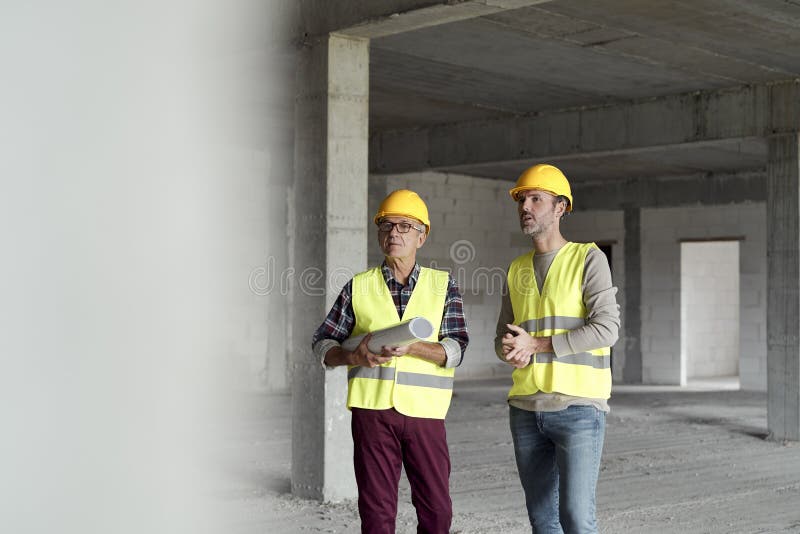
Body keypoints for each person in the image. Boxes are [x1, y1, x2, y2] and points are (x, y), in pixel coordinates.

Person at [312, 189, 469, 534]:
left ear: (421, 236)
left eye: (404, 226)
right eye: (385, 225)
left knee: (437, 512)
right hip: (373, 414)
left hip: (425, 414)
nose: (393, 233)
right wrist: (351, 356)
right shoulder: (358, 287)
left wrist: (413, 348)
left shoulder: (443, 286)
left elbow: (456, 348)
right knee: (377, 514)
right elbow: (322, 344)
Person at [495, 164, 620, 534]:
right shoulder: (516, 268)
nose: (526, 207)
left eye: (536, 199)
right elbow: (502, 338)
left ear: (561, 208)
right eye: (521, 200)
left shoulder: (588, 258)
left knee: (576, 518)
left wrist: (537, 345)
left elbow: (607, 328)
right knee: (542, 520)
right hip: (525, 408)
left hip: (579, 407)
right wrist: (511, 349)